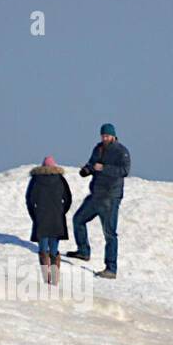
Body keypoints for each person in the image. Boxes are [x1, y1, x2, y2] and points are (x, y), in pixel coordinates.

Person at [67, 122, 131, 279]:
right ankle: (83, 251)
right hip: (95, 195)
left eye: (107, 136)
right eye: (103, 136)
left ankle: (111, 269)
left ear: (114, 136)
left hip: (110, 197)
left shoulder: (121, 151)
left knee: (109, 233)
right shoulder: (98, 148)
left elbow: (124, 171)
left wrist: (104, 168)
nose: (105, 138)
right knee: (78, 220)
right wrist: (86, 170)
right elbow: (92, 164)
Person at [25, 155, 72, 286]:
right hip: (57, 219)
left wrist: (34, 216)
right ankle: (55, 281)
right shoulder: (60, 179)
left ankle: (47, 280)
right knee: (54, 251)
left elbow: (29, 200)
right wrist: (61, 212)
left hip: (41, 219)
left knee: (43, 250)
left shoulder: (35, 180)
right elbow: (68, 199)